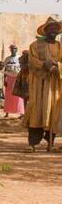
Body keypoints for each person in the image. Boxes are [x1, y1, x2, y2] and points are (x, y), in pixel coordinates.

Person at [26, 16, 62, 151]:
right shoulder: (34, 46)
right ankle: (33, 144)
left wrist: (56, 66)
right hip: (39, 84)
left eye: (55, 28)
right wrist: (44, 64)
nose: (53, 30)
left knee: (53, 112)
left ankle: (50, 143)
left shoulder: (60, 46)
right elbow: (32, 62)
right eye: (50, 28)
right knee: (36, 112)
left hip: (54, 86)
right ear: (45, 30)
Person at [3, 43, 25, 117]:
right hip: (9, 78)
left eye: (15, 48)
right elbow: (5, 69)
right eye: (12, 48)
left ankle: (20, 112)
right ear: (10, 50)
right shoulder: (7, 59)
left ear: (17, 50)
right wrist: (4, 80)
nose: (13, 50)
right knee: (8, 95)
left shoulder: (19, 58)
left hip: (17, 78)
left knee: (18, 94)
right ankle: (7, 112)